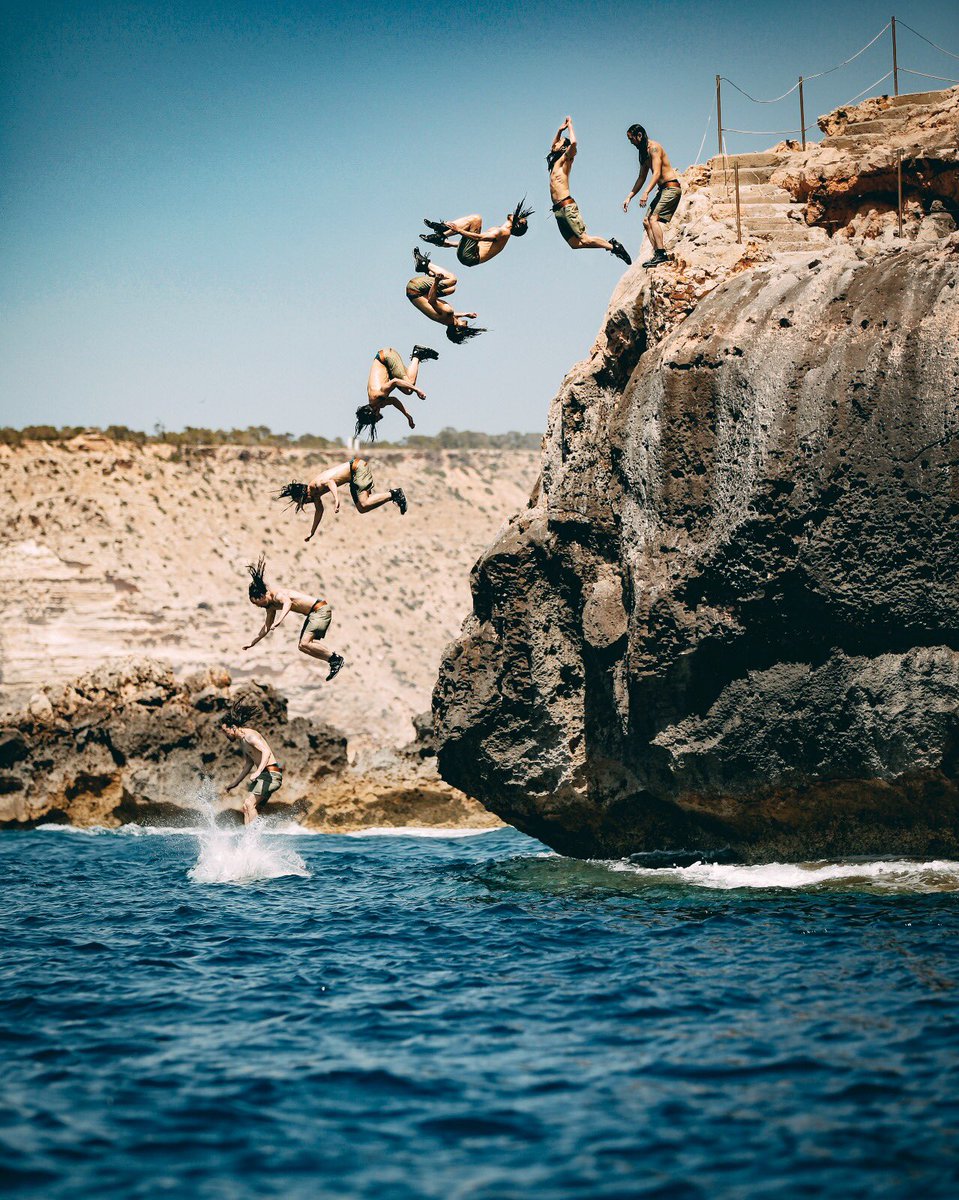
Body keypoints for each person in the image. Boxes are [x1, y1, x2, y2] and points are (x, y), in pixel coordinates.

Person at [243, 554, 345, 681]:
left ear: (264, 595)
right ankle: (333, 660)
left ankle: (336, 659)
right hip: (313, 613)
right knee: (302, 646)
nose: (259, 607)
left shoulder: (277, 595)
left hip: (319, 610)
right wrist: (252, 643)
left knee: (305, 643)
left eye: (259, 603)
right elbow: (266, 627)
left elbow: (288, 603)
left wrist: (279, 621)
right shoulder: (269, 607)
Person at [548, 116, 631, 264]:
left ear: (563, 148)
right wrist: (560, 131)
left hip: (567, 207)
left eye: (559, 142)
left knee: (584, 238)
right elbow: (552, 146)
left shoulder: (565, 160)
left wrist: (570, 126)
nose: (555, 144)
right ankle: (611, 245)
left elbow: (573, 143)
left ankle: (614, 247)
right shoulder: (555, 162)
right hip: (558, 211)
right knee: (574, 244)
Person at [277, 457, 407, 539]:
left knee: (364, 503)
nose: (305, 503)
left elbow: (330, 482)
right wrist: (312, 532)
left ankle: (395, 494)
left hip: (357, 468)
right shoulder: (315, 495)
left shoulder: (315, 486)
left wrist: (336, 499)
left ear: (303, 495)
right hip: (353, 476)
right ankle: (394, 495)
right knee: (362, 508)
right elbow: (319, 511)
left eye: (303, 502)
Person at [623, 124, 682, 269]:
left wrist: (646, 193)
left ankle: (661, 254)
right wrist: (629, 196)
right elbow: (641, 177)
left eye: (631, 139)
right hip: (663, 190)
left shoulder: (654, 148)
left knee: (653, 219)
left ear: (639, 136)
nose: (631, 142)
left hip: (671, 188)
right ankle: (658, 254)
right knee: (646, 221)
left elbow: (656, 173)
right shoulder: (642, 153)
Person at [354, 344, 438, 442]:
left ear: (373, 413)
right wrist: (407, 416)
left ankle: (417, 354)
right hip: (386, 365)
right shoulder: (378, 403)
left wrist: (417, 390)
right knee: (408, 388)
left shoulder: (377, 395)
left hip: (386, 357)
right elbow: (394, 401)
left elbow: (394, 382)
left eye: (375, 420)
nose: (378, 420)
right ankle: (417, 355)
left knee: (409, 387)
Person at [419, 200, 534, 267]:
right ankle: (441, 234)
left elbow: (479, 238)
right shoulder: (499, 230)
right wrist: (447, 244)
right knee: (473, 221)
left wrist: (458, 230)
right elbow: (478, 245)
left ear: (516, 224)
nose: (516, 215)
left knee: (476, 219)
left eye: (519, 218)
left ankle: (443, 230)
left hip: (471, 256)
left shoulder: (504, 232)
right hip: (469, 255)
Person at [220, 703, 283, 825]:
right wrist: (235, 783)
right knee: (246, 807)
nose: (225, 734)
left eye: (225, 731)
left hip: (271, 775)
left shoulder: (249, 736)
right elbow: (248, 764)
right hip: (264, 776)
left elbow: (266, 751)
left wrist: (258, 771)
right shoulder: (242, 741)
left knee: (249, 804)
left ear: (232, 727)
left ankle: (253, 840)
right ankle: (249, 841)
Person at [406, 249, 486, 343]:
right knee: (451, 289)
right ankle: (427, 271)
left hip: (416, 288)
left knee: (452, 280)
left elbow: (431, 301)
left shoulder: (448, 312)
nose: (467, 324)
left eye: (465, 327)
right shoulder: (448, 319)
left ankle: (423, 263)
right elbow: (450, 314)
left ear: (457, 328)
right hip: (414, 293)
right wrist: (466, 314)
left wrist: (436, 281)